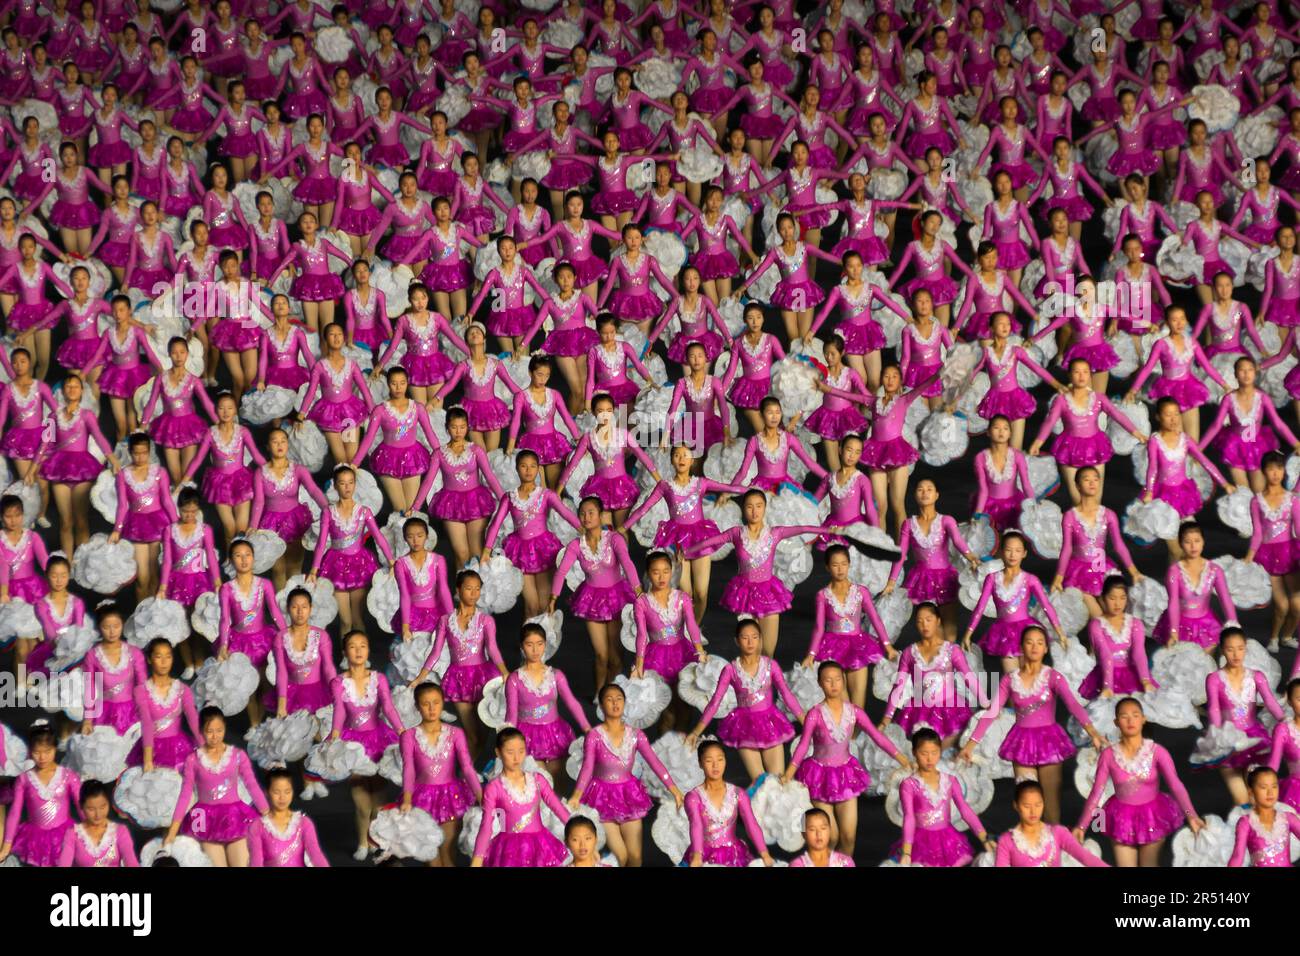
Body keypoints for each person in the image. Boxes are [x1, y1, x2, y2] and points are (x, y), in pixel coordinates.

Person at [960, 626, 1107, 823]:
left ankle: (1053, 845)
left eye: (1040, 642)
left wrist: (1093, 733)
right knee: (1028, 802)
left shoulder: (1053, 677)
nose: (1035, 647)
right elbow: (992, 712)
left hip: (1049, 742)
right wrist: (971, 744)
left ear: (1046, 648)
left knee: (1050, 804)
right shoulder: (1009, 680)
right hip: (1021, 742)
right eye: (1029, 642)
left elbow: (1073, 705)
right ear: (1021, 647)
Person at [783, 661, 909, 856]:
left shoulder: (854, 712)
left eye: (837, 679)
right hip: (819, 776)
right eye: (828, 680)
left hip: (846, 774)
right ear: (820, 683)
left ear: (843, 681)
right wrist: (789, 772)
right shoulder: (815, 714)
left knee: (848, 837)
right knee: (830, 837)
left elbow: (877, 736)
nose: (833, 684)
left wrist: (903, 759)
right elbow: (803, 745)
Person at [1075, 697, 1203, 867]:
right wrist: (1081, 826)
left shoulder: (1158, 752)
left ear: (1143, 719)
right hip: (1120, 817)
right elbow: (1097, 792)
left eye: (1135, 715)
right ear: (1116, 722)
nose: (1130, 720)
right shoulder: (1108, 755)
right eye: (1124, 716)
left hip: (1153, 815)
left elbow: (1176, 785)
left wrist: (1192, 816)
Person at [164, 708, 268, 867]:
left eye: (219, 730)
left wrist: (267, 814)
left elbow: (252, 785)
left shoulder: (238, 755)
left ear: (225, 728)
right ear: (201, 731)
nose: (215, 736)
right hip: (206, 821)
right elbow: (185, 795)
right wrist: (172, 831)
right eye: (210, 731)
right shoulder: (193, 760)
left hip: (236, 819)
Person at [399, 683, 482, 868]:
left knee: (448, 853)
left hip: (451, 796)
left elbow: (467, 767)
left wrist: (481, 795)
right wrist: (406, 798)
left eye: (436, 702)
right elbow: (409, 769)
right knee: (431, 855)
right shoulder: (409, 736)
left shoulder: (455, 733)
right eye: (425, 703)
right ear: (417, 706)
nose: (431, 708)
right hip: (422, 799)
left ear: (443, 703)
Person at [471, 727, 571, 867]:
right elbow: (486, 825)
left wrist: (577, 829)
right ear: (498, 752)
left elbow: (558, 808)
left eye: (521, 751)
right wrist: (478, 857)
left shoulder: (538, 780)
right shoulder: (494, 788)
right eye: (510, 752)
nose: (517, 758)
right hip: (509, 850)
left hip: (540, 846)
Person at [894, 729, 995, 867]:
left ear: (940, 752)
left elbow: (965, 809)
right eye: (924, 753)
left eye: (934, 753)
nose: (930, 759)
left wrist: (984, 838)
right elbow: (909, 817)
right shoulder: (909, 784)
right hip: (921, 842)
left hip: (948, 839)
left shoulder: (950, 780)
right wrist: (906, 852)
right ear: (914, 753)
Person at [684, 740, 774, 867]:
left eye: (720, 759)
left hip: (734, 855)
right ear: (700, 763)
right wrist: (697, 855)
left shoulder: (738, 793)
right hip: (703, 855)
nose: (715, 765)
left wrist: (765, 854)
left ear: (725, 761)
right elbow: (696, 825)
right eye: (709, 761)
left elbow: (751, 824)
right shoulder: (694, 797)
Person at [995, 780, 1108, 867]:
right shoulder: (1006, 841)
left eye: (1038, 805)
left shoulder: (1058, 832)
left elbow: (1085, 857)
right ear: (1016, 806)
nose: (1033, 811)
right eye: (1027, 806)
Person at [247, 768, 330, 867]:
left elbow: (316, 855)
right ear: (267, 792)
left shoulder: (304, 823)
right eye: (277, 792)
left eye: (287, 792)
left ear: (292, 792)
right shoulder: (257, 827)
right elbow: (256, 862)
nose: (282, 797)